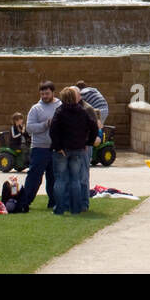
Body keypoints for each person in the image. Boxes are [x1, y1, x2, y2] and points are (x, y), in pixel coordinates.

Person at [51, 86, 99, 215]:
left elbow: (53, 130)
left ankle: (60, 208)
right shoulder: (82, 111)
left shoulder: (60, 111)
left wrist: (58, 147)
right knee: (75, 179)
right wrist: (88, 143)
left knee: (61, 179)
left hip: (62, 150)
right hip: (78, 149)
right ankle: (76, 208)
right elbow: (94, 127)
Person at [18, 82, 61, 213]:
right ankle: (25, 202)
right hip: (39, 148)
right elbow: (30, 128)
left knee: (54, 177)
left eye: (47, 93)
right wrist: (45, 124)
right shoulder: (36, 108)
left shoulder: (60, 106)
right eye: (42, 94)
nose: (44, 96)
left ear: (53, 92)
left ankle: (54, 202)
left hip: (56, 148)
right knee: (34, 176)